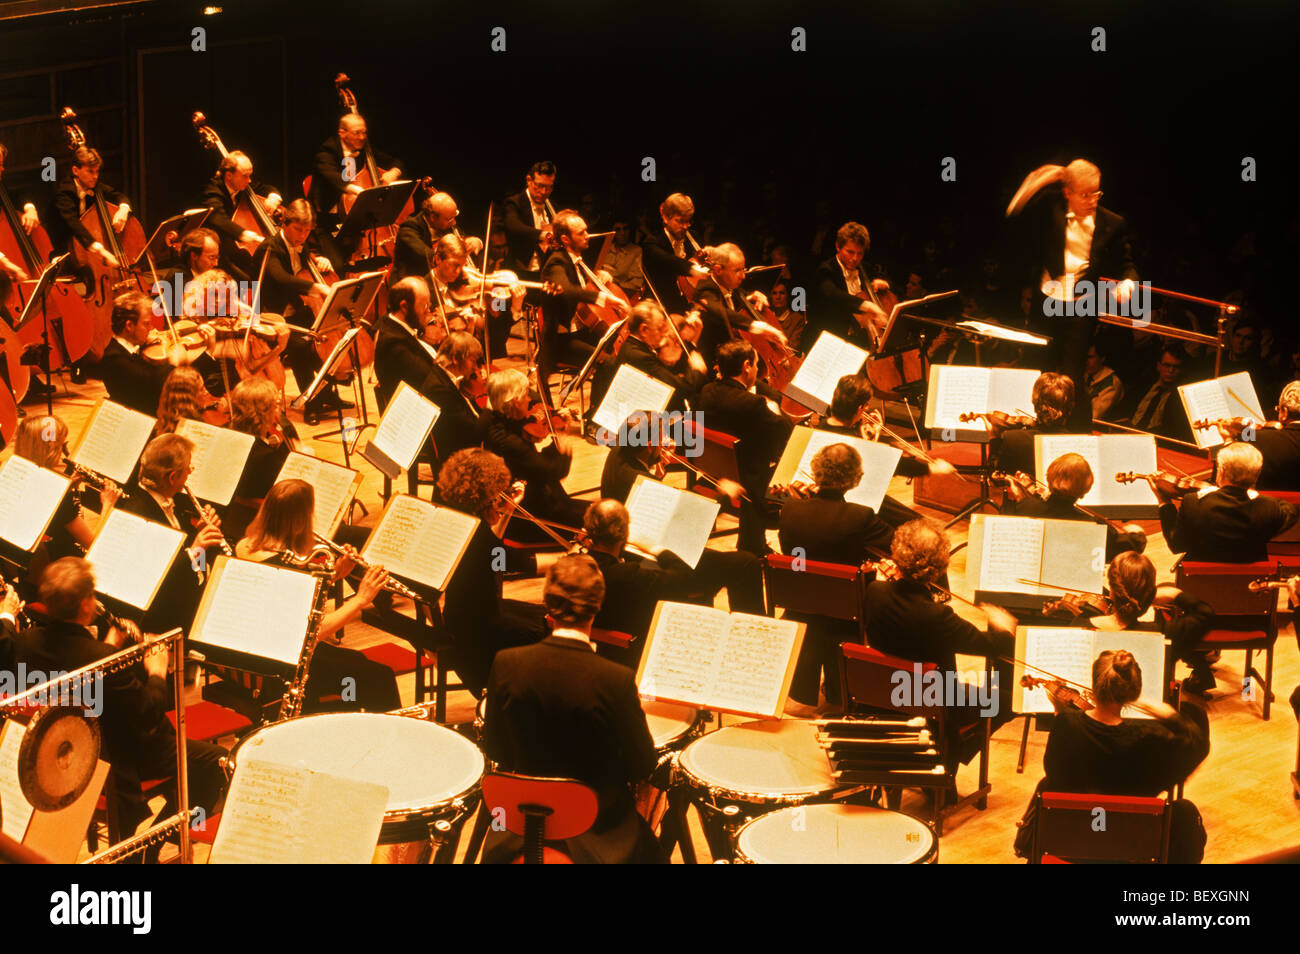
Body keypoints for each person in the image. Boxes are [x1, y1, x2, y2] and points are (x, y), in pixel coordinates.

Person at [11, 557, 228, 846]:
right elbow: (146, 713)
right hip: (125, 758)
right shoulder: (100, 658)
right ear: (87, 604)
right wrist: (157, 671)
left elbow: (79, 679)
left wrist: (110, 648)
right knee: (218, 764)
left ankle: (172, 830)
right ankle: (165, 839)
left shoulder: (26, 642)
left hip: (69, 751)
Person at [482, 552, 663, 864]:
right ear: (597, 606)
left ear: (547, 604)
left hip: (520, 822)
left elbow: (495, 748)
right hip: (596, 828)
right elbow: (642, 764)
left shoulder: (506, 663)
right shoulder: (615, 679)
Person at [1023, 648, 1209, 863]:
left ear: (1093, 687)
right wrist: (1170, 716)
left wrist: (1059, 712)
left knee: (1046, 785)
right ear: (1133, 692)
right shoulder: (1150, 739)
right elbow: (1199, 745)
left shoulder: (1065, 724)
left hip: (1072, 843)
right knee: (1185, 812)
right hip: (1130, 847)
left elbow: (1058, 770)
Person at [234, 479, 401, 713]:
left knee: (358, 664)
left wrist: (335, 575)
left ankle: (349, 707)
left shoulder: (246, 547)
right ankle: (364, 725)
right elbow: (315, 632)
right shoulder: (289, 569)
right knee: (379, 678)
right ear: (300, 523)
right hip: (287, 667)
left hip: (259, 650)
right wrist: (361, 598)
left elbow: (287, 603)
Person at [862, 519, 1017, 766]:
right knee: (1011, 701)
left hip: (885, 691)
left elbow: (895, 599)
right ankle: (952, 749)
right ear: (940, 566)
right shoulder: (937, 617)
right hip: (934, 699)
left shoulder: (874, 593)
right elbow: (987, 645)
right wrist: (1005, 626)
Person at [1005, 158, 1138, 429]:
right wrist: (1039, 178)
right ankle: (1029, 430)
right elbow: (1014, 211)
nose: (1092, 201)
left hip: (1080, 306)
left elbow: (1127, 263)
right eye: (1084, 194)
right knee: (1038, 368)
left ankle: (1077, 434)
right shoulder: (1050, 208)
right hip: (1046, 301)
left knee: (1072, 377)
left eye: (1096, 193)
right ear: (1068, 193)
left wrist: (1128, 282)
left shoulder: (1113, 223)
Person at [777, 442, 894, 713]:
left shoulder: (791, 509)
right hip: (845, 609)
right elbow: (894, 544)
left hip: (799, 600)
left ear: (815, 472)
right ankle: (841, 689)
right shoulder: (860, 516)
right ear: (855, 479)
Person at [582, 498, 763, 653]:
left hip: (607, 635)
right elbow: (682, 576)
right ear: (623, 534)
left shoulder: (577, 563)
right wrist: (657, 549)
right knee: (741, 564)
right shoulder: (625, 574)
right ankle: (751, 640)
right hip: (640, 641)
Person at [436, 448, 548, 695]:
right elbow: (520, 561)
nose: (502, 498)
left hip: (464, 618)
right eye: (498, 495)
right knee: (550, 631)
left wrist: (508, 510)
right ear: (486, 496)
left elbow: (493, 550)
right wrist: (573, 558)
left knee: (544, 614)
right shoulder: (477, 538)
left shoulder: (464, 520)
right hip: (480, 636)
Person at [119, 433, 229, 634]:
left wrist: (202, 541)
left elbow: (196, 568)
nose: (189, 474)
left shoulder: (165, 501)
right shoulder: (141, 516)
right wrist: (196, 549)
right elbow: (158, 581)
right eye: (188, 470)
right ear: (172, 477)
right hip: (160, 620)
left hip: (180, 596)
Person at [253, 200, 350, 415]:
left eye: (307, 231)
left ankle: (327, 394)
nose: (302, 236)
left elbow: (305, 266)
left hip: (296, 311)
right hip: (272, 317)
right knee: (300, 347)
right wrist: (316, 287)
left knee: (326, 337)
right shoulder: (269, 248)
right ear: (284, 224)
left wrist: (321, 261)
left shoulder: (302, 246)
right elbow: (282, 278)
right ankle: (312, 403)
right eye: (298, 229)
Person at [697, 339, 794, 554]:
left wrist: (757, 389)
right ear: (746, 366)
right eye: (757, 365)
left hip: (717, 467)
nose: (759, 370)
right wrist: (772, 406)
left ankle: (753, 543)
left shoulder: (707, 391)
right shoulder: (753, 404)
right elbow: (786, 428)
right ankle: (766, 543)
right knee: (791, 450)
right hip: (750, 477)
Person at [1155, 440, 1300, 563]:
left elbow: (1176, 545)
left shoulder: (1192, 503)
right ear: (1257, 474)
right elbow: (1291, 511)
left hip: (1200, 588)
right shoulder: (1271, 509)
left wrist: (1164, 500)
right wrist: (1251, 493)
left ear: (1222, 471)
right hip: (1254, 588)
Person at [482, 367, 587, 531]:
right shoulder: (508, 441)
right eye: (525, 395)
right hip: (529, 515)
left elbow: (535, 465)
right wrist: (562, 440)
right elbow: (553, 471)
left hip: (538, 491)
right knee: (598, 523)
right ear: (515, 402)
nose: (529, 399)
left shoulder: (498, 417)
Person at [10, 414, 121, 566]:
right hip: (60, 566)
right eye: (63, 445)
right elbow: (95, 545)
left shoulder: (13, 474)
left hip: (28, 563)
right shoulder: (57, 496)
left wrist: (69, 487)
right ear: (52, 449)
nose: (66, 452)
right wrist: (108, 504)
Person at [537, 208, 628, 388]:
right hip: (560, 341)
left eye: (586, 230)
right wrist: (605, 298)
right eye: (581, 233)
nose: (587, 235)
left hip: (580, 333)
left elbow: (585, 281)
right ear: (565, 239)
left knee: (625, 352)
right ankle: (594, 413)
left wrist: (603, 275)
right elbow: (567, 290)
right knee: (608, 363)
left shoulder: (577, 258)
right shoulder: (556, 262)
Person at [1002, 452, 1147, 562]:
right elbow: (1131, 548)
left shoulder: (1024, 506)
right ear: (1085, 489)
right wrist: (1136, 533)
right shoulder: (1095, 525)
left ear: (1049, 479)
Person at [308, 111, 405, 255]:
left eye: (364, 133)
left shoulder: (366, 150)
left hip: (359, 223)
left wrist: (394, 172)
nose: (362, 137)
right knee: (339, 263)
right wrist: (356, 190)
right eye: (357, 133)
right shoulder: (327, 151)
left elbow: (396, 161)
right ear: (342, 133)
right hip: (327, 222)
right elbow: (331, 175)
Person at [99, 290, 205, 416]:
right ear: (129, 326)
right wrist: (174, 363)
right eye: (146, 323)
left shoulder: (138, 347)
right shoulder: (114, 359)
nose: (152, 329)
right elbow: (154, 385)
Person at [225, 376, 301, 542]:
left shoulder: (232, 434)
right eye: (275, 406)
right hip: (273, 523)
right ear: (262, 413)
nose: (278, 411)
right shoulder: (264, 456)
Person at [690, 242, 787, 370]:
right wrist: (759, 326)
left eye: (743, 269)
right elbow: (721, 312)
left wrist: (752, 295)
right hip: (717, 368)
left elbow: (737, 295)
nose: (743, 276)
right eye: (737, 270)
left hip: (738, 365)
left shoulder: (732, 286)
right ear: (718, 270)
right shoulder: (705, 291)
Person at [198, 149, 282, 282]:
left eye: (250, 175)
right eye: (245, 175)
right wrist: (246, 234)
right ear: (229, 176)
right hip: (221, 248)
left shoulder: (243, 184)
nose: (249, 180)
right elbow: (219, 219)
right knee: (249, 280)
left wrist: (273, 196)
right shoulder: (212, 191)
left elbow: (265, 188)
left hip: (238, 250)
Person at [810, 221, 890, 347]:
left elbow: (881, 277)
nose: (855, 258)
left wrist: (882, 282)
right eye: (850, 252)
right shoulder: (826, 269)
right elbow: (832, 293)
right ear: (838, 247)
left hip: (861, 340)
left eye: (860, 253)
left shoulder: (865, 268)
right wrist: (867, 306)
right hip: (832, 339)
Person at [52, 146, 133, 270]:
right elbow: (74, 224)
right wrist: (102, 251)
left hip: (92, 254)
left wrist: (123, 209)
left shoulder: (95, 187)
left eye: (97, 171)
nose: (95, 176)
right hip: (66, 253)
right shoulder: (64, 192)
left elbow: (119, 195)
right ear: (75, 170)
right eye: (90, 171)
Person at [992, 371, 1076, 475]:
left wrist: (994, 438)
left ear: (1035, 403)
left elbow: (996, 476)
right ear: (1071, 407)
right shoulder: (1078, 445)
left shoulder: (1012, 439)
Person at [372, 276, 436, 410]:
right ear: (404, 306)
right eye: (424, 306)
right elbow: (432, 380)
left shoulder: (391, 323)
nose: (429, 311)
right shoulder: (394, 345)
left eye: (429, 305)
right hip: (417, 412)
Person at [392, 191, 483, 284]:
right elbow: (426, 254)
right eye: (449, 219)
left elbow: (462, 240)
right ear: (432, 217)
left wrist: (475, 241)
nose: (454, 223)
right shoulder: (409, 227)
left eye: (454, 217)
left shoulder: (446, 224)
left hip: (438, 283)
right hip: (412, 285)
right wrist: (455, 261)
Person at [640, 192, 709, 314]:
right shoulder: (651, 243)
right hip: (659, 308)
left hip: (687, 306)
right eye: (680, 221)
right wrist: (694, 269)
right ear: (666, 218)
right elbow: (669, 261)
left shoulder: (693, 237)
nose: (685, 226)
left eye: (688, 221)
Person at [1119, 344, 1193, 442]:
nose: (1170, 370)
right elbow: (1122, 408)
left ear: (1181, 370)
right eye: (1167, 365)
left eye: (1176, 367)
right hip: (1125, 435)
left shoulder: (1181, 398)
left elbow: (1172, 431)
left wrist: (1141, 434)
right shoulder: (1143, 385)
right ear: (1159, 366)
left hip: (1154, 442)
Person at [502, 160, 558, 276]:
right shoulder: (514, 202)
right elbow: (513, 226)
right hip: (518, 272)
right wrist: (544, 235)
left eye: (549, 187)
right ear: (529, 180)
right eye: (540, 185)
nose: (544, 192)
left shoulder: (552, 206)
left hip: (545, 272)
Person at [154, 366, 219, 435]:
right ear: (188, 398)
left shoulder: (168, 419)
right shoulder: (188, 428)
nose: (207, 392)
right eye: (201, 389)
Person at [602, 216, 644, 299]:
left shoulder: (636, 251)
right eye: (618, 229)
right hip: (601, 291)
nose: (622, 233)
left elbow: (636, 284)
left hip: (621, 295)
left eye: (625, 229)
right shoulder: (606, 248)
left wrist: (616, 285)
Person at [1085, 342, 1124, 421]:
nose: (1087, 361)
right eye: (1085, 357)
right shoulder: (1084, 375)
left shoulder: (1111, 383)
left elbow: (1095, 416)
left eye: (1091, 357)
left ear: (1102, 358)